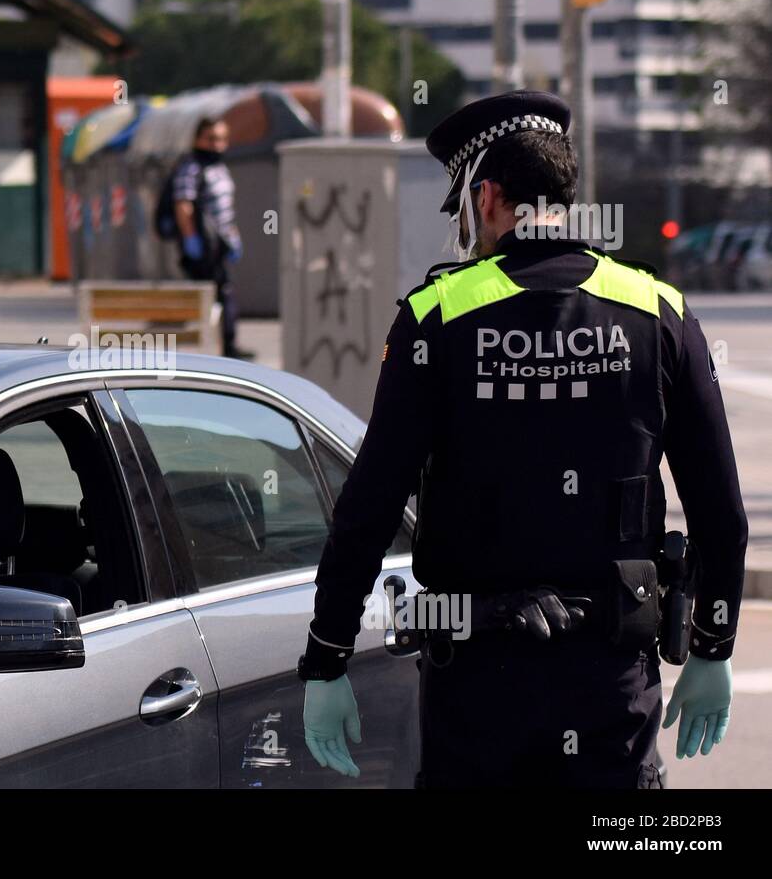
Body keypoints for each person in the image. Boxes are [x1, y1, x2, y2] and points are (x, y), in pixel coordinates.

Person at [296, 90, 747, 788]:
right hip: (613, 694)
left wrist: (326, 654)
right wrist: (714, 647)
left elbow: (371, 504)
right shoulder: (658, 310)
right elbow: (720, 510)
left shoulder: (435, 317)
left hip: (478, 692)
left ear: (487, 196)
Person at [171, 117, 254, 360]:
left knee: (225, 294)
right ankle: (213, 354)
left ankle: (226, 348)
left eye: (221, 139)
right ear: (198, 139)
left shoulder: (218, 167)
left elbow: (225, 206)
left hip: (221, 243)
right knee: (210, 299)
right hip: (204, 247)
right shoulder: (192, 167)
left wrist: (233, 235)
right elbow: (183, 205)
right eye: (211, 138)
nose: (217, 144)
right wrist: (191, 240)